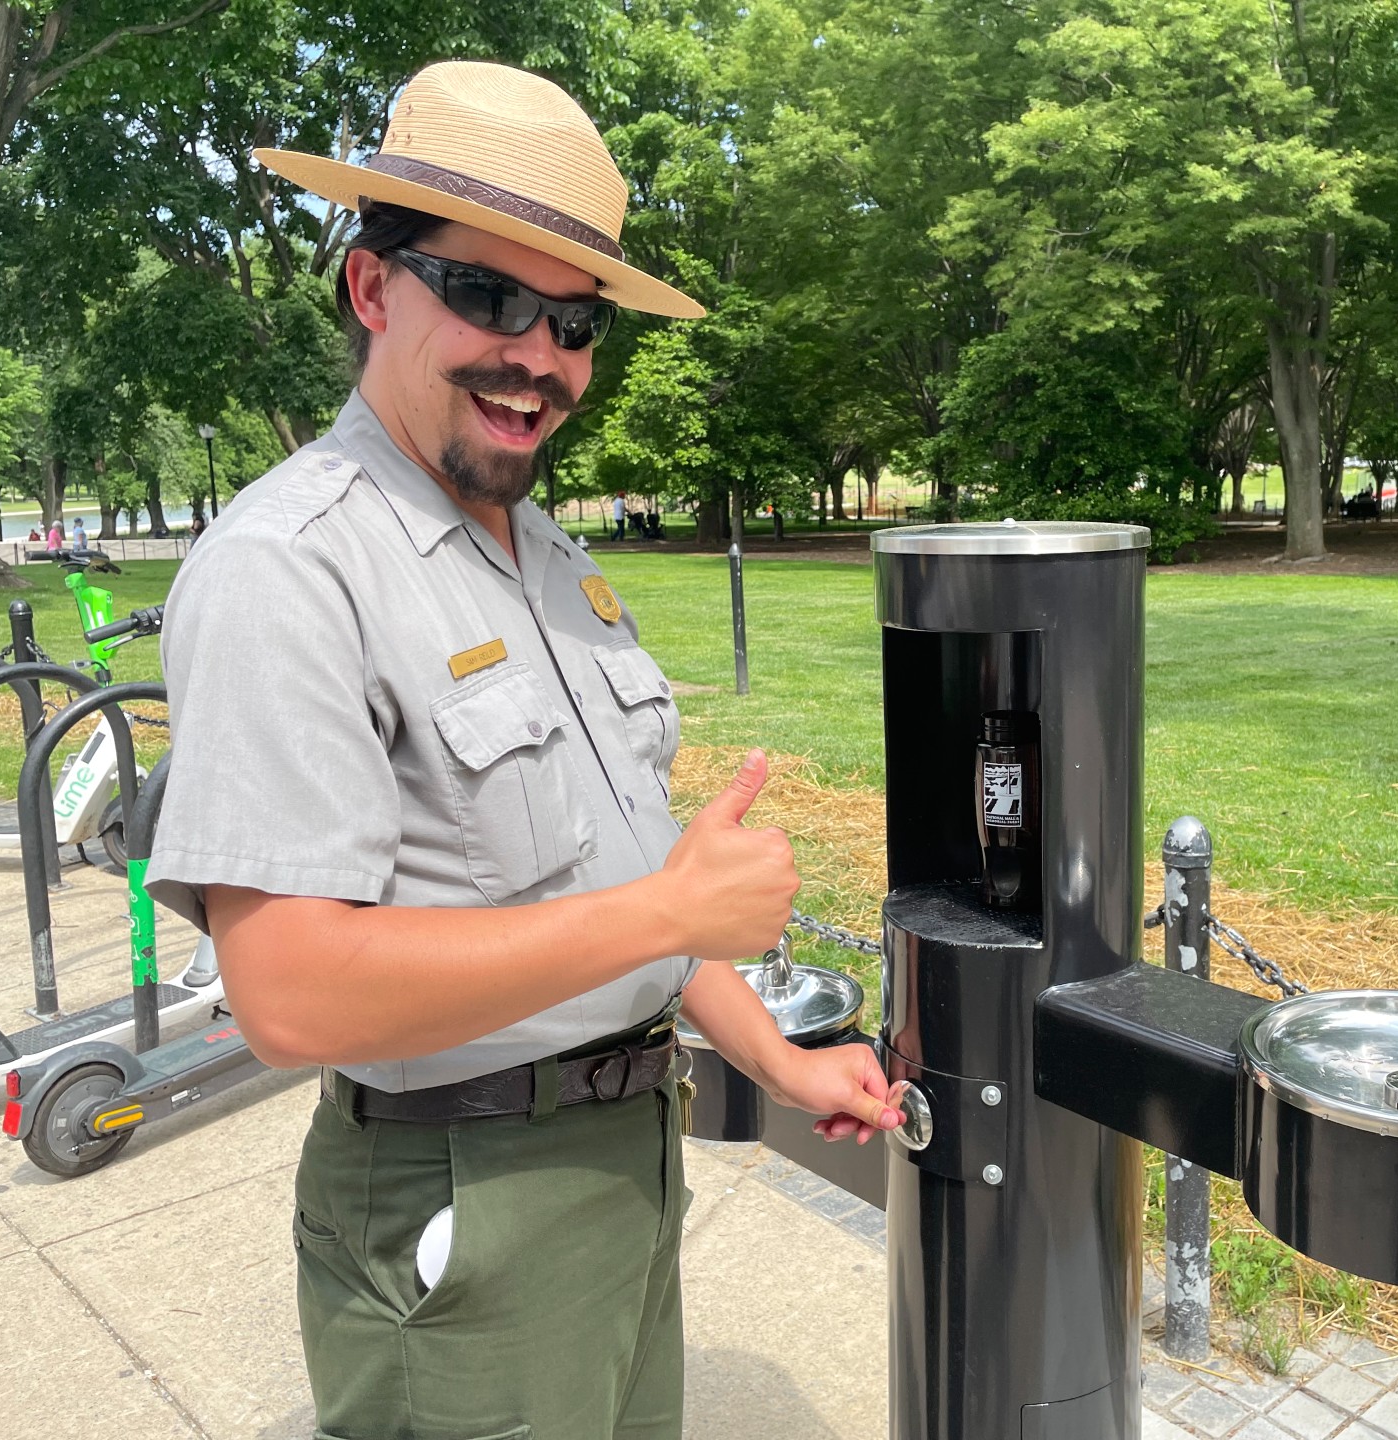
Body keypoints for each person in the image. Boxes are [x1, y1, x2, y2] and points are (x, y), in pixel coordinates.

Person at [143, 61, 899, 1440]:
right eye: (487, 295)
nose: (538, 357)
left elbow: (611, 890)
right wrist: (670, 907)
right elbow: (291, 996)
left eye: (572, 320)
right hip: (461, 1205)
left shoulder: (542, 553)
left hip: (627, 1166)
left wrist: (774, 1059)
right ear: (373, 290)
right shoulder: (289, 568)